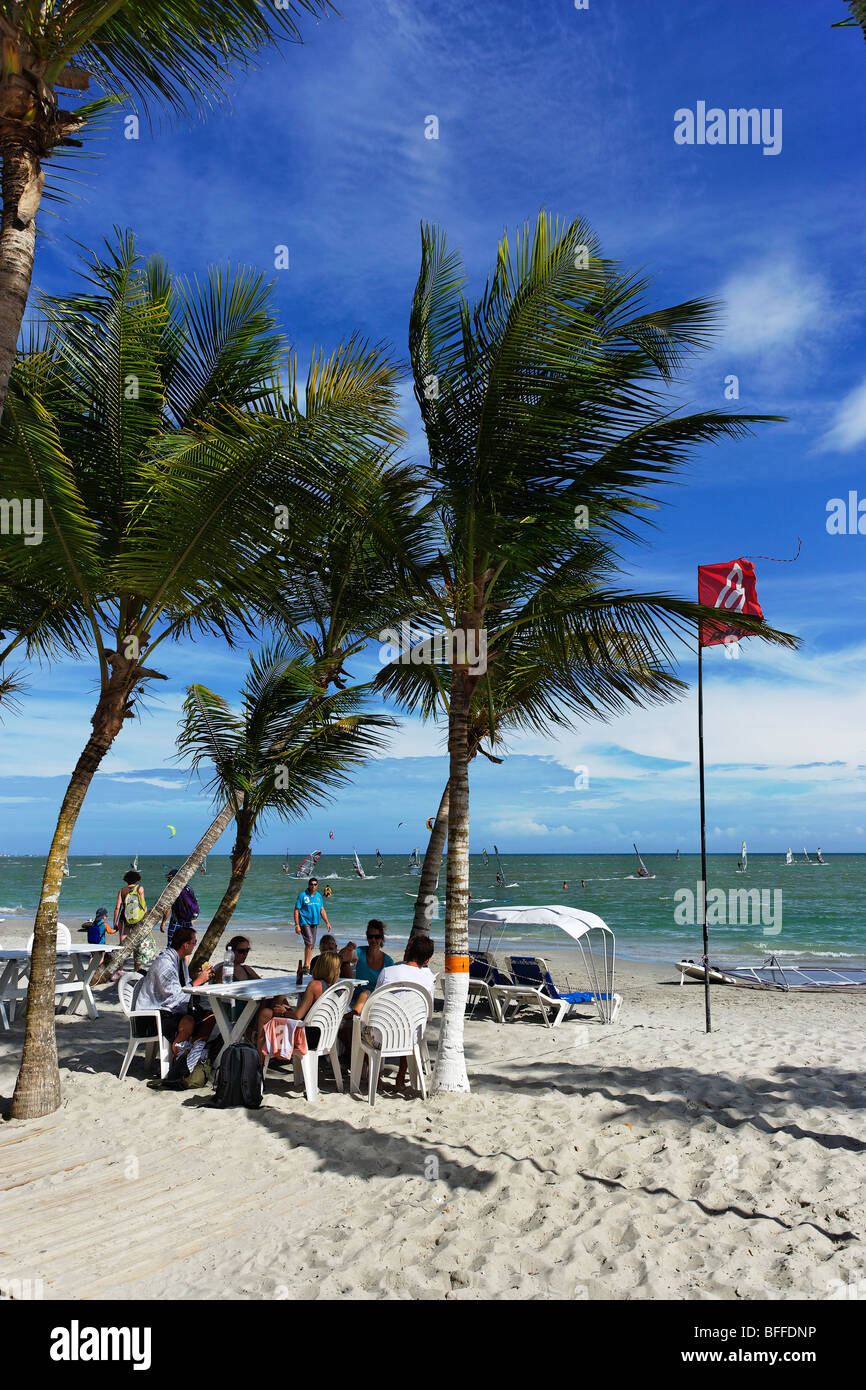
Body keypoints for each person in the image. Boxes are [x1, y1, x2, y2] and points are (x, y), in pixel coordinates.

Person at [132, 925, 214, 1057]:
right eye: (194, 942)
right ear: (185, 945)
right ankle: (179, 1054)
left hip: (167, 1011)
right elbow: (176, 996)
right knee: (188, 1021)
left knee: (210, 1017)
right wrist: (198, 981)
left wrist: (202, 979)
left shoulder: (179, 961)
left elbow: (183, 988)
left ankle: (195, 1051)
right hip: (152, 1016)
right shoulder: (165, 964)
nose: (195, 945)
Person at [256, 951, 339, 1055]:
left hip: (308, 1037)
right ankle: (270, 1053)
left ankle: (260, 1061)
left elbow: (297, 1015)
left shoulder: (315, 985)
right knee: (280, 999)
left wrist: (283, 1012)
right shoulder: (339, 988)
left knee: (265, 1014)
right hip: (327, 1035)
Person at [114, 869, 156, 971]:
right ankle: (136, 969)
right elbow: (143, 905)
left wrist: (115, 922)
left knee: (122, 945)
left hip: (125, 919)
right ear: (137, 879)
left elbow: (117, 907)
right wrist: (145, 918)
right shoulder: (140, 888)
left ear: (126, 880)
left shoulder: (122, 890)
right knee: (136, 943)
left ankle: (120, 969)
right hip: (138, 919)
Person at [293, 877, 331, 970]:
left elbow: (322, 910)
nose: (313, 886)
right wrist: (297, 925)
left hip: (315, 923)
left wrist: (327, 922)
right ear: (308, 885)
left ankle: (307, 965)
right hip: (304, 922)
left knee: (311, 945)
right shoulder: (302, 896)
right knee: (309, 942)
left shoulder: (318, 896)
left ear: (317, 886)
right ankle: (306, 966)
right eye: (311, 884)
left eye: (315, 884)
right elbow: (296, 910)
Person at [160, 870, 199, 948]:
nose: (167, 880)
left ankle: (174, 960)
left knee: (172, 944)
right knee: (186, 945)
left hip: (176, 921)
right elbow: (192, 905)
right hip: (188, 920)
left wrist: (163, 922)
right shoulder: (188, 888)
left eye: (169, 877)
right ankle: (186, 960)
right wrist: (191, 921)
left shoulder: (173, 890)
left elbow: (168, 907)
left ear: (174, 878)